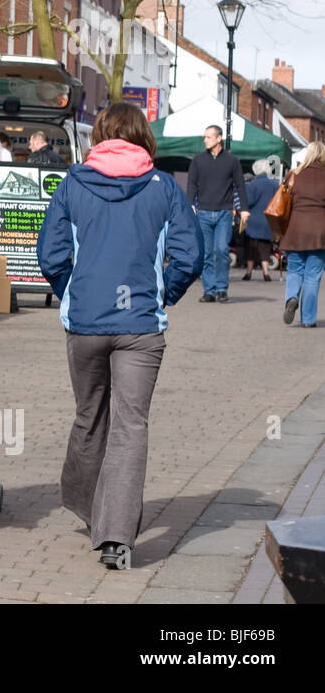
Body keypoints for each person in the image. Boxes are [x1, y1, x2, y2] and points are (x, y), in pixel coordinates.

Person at [37, 103, 202, 570]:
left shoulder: (72, 184)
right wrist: (162, 294)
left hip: (85, 322)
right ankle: (115, 536)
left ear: (102, 135)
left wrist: (72, 291)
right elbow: (190, 256)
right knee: (131, 425)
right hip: (140, 327)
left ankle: (90, 509)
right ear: (143, 137)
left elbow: (49, 253)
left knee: (90, 415)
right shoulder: (163, 187)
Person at [187, 125, 249, 303]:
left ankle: (222, 288)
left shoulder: (232, 161)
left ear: (218, 138)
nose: (205, 140)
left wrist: (244, 208)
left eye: (208, 137)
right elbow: (192, 185)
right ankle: (209, 290)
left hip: (224, 212)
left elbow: (240, 185)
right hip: (203, 212)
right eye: (204, 137)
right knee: (206, 252)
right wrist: (190, 203)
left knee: (221, 250)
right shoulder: (197, 161)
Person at [279, 142, 325, 328]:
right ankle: (308, 320)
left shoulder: (293, 175)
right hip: (319, 232)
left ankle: (291, 297)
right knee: (312, 276)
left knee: (295, 270)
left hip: (295, 230)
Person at [241, 159, 279, 282]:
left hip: (253, 220)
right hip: (267, 220)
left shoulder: (252, 184)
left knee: (251, 246)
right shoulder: (274, 184)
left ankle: (248, 272)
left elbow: (248, 201)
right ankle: (266, 273)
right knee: (265, 247)